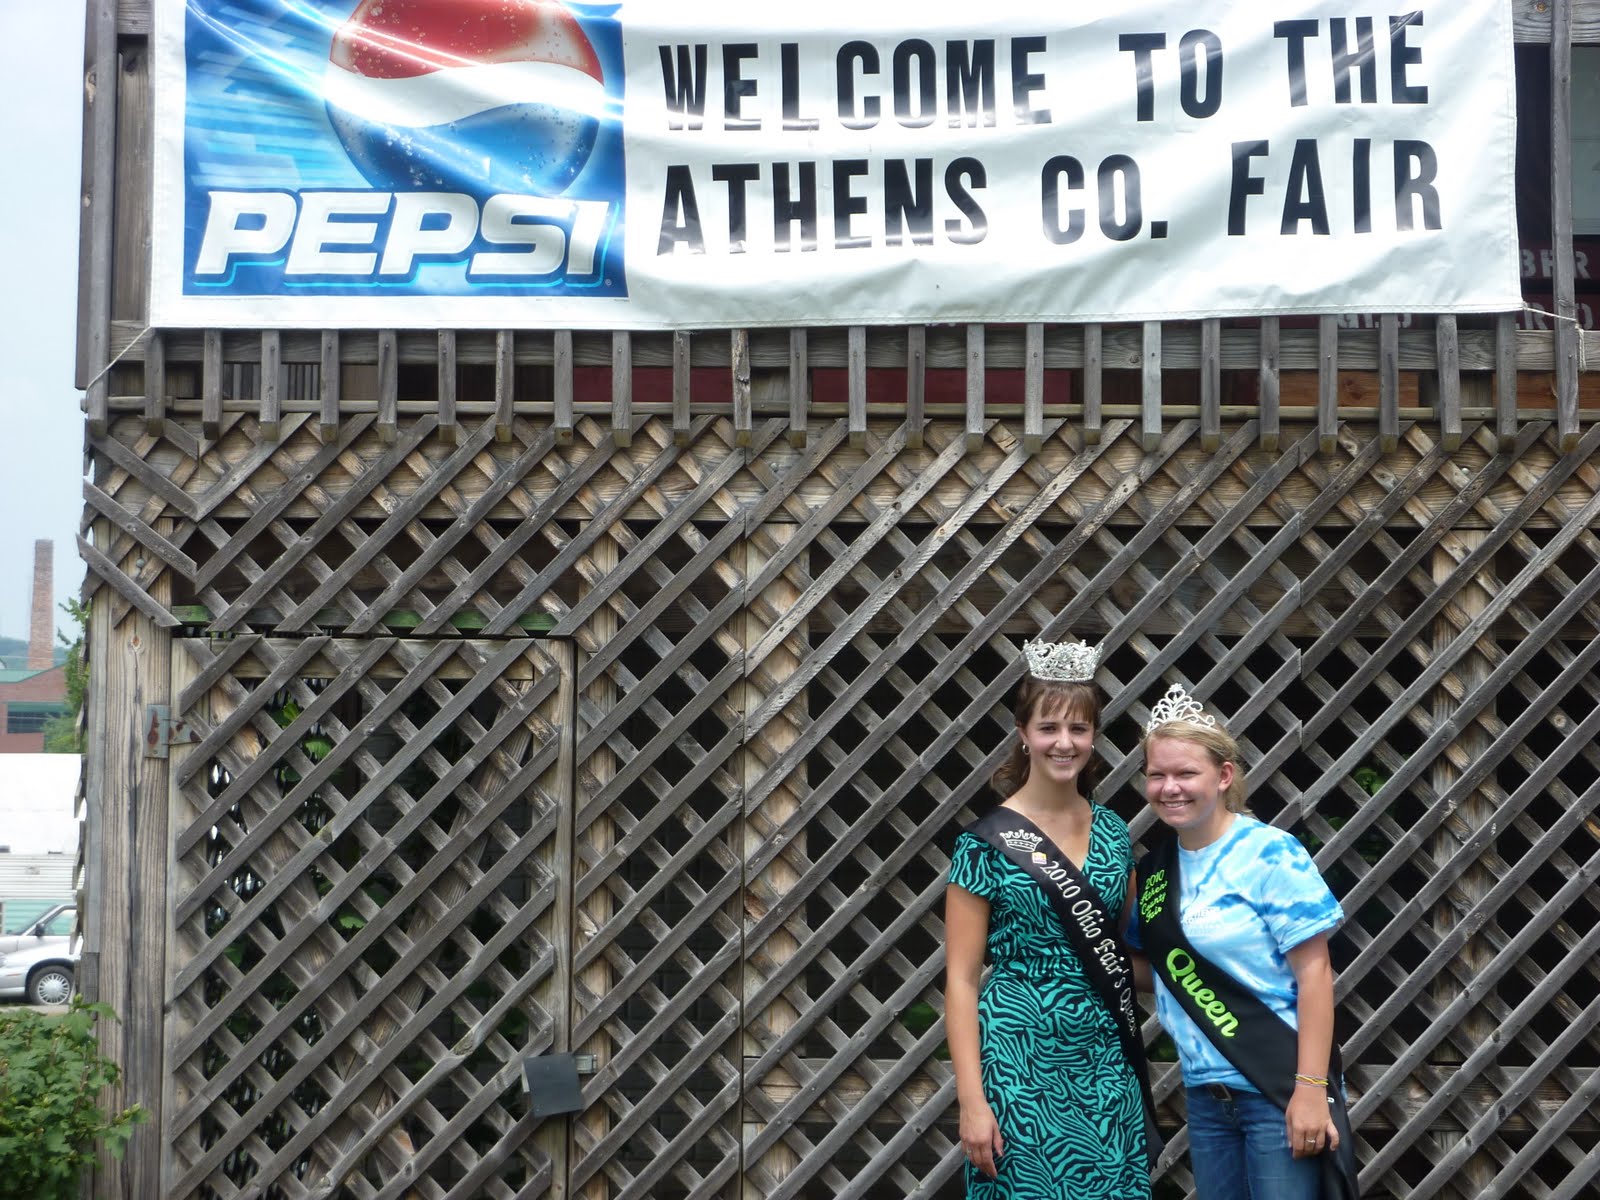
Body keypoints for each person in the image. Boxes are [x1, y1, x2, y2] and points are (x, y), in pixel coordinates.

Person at [945, 638, 1154, 1200]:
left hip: (1105, 1057)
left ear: (1094, 736)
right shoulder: (983, 843)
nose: (1065, 742)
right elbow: (961, 981)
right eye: (1049, 728)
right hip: (1018, 1058)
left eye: (1078, 729)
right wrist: (971, 1100)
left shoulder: (1114, 833)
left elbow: (1127, 952)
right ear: (1023, 733)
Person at [1129, 684, 1356, 1200]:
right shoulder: (1155, 870)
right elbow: (1162, 971)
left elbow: (1315, 973)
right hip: (1205, 1095)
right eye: (1157, 774)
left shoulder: (1270, 853)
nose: (1169, 788)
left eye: (1186, 773)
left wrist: (1310, 1089)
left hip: (1277, 1086)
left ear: (1224, 775)